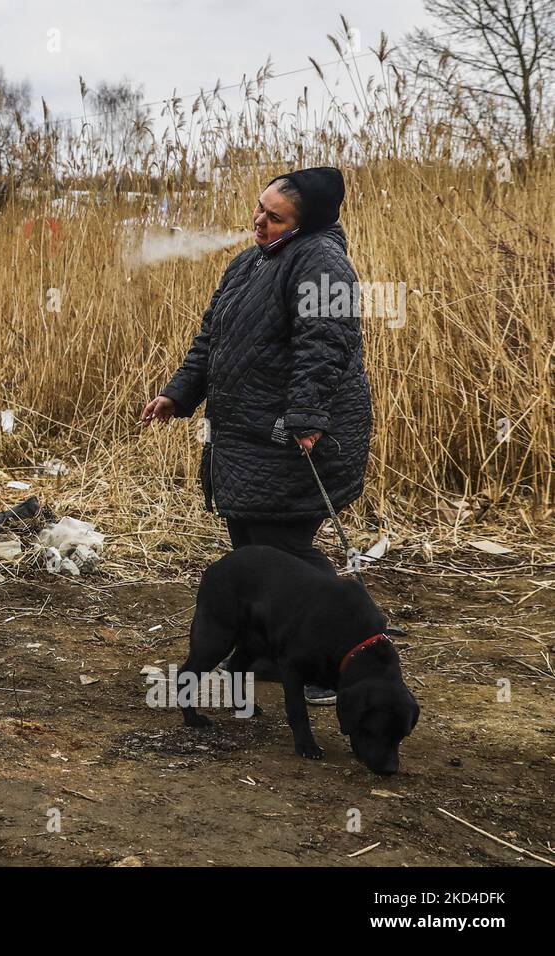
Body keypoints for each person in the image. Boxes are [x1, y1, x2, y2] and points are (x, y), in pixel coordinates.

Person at [141, 167, 371, 706]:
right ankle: (271, 654)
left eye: (274, 216)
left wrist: (308, 418)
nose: (259, 220)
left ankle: (331, 665)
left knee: (287, 553)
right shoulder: (249, 263)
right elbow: (210, 340)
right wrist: (178, 394)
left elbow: (327, 343)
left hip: (294, 439)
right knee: (253, 551)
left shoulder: (322, 263)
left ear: (305, 221)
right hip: (245, 440)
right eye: (259, 208)